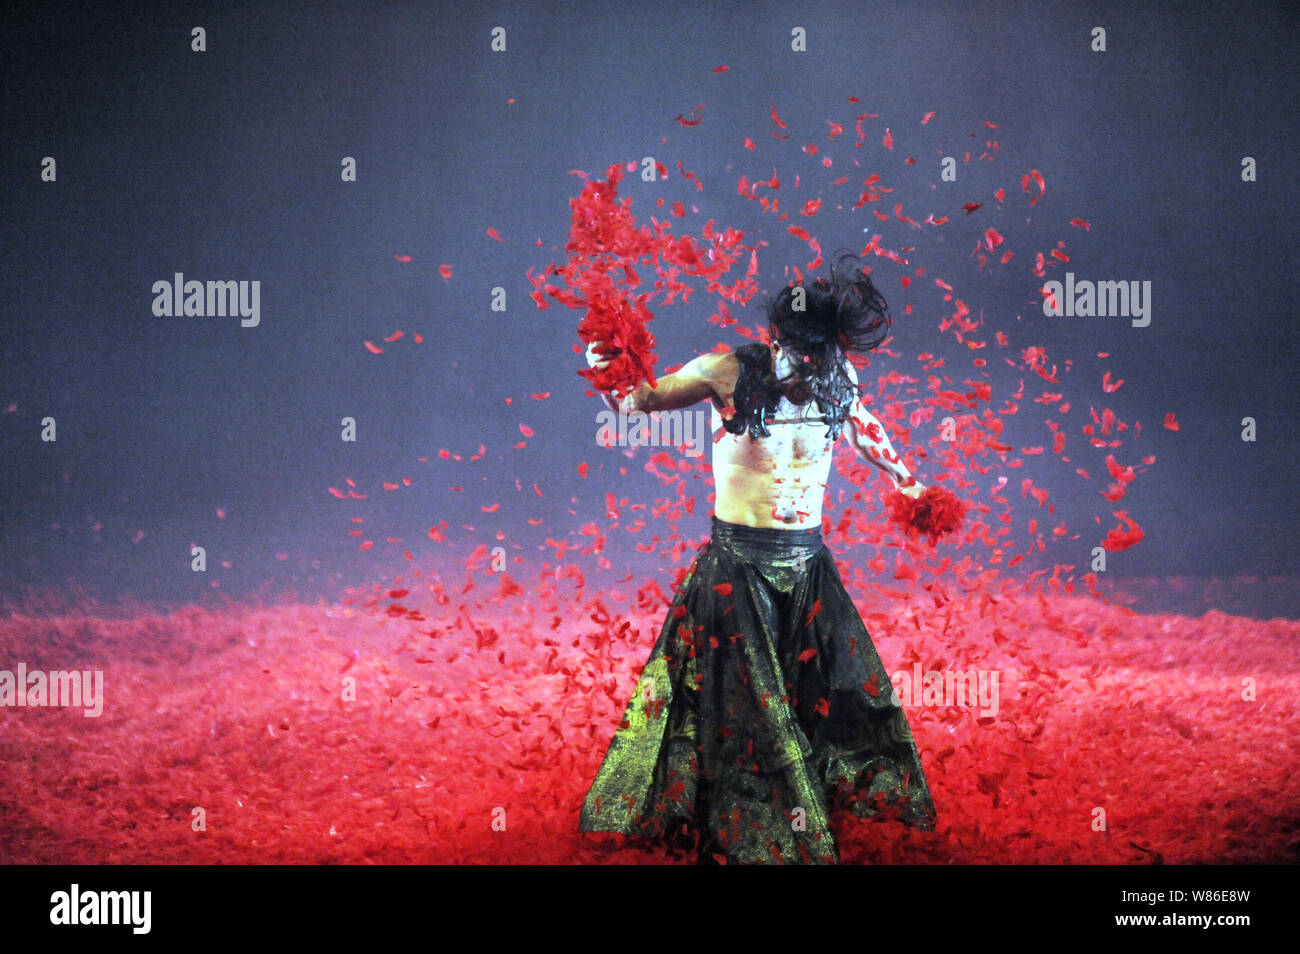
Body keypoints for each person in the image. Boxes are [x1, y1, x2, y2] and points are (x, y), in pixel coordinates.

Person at [577, 252, 938, 864]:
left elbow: (859, 421)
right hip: (737, 570)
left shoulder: (836, 375)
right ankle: (752, 837)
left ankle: (813, 814)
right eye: (804, 356)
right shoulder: (727, 370)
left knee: (825, 696)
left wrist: (906, 479)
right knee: (749, 709)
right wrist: (608, 366)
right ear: (779, 340)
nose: (813, 367)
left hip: (808, 567)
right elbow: (640, 402)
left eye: (823, 356)